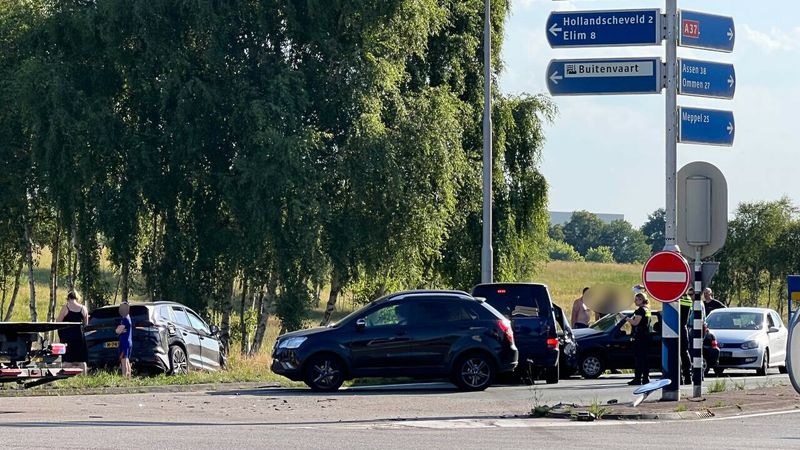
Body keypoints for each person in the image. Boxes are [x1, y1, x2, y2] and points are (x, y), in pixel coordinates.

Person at [56, 291, 89, 373]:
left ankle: (68, 377)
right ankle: (83, 378)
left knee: (68, 360)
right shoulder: (83, 308)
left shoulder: (65, 307)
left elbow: (58, 321)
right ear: (77, 298)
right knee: (81, 360)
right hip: (79, 336)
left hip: (68, 337)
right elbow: (86, 323)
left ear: (68, 298)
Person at [626, 292, 651, 385]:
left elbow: (635, 322)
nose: (635, 301)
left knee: (639, 358)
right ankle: (645, 378)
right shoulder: (647, 309)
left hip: (640, 337)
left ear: (641, 300)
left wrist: (626, 318)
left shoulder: (640, 310)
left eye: (637, 299)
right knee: (644, 358)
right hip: (646, 336)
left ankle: (637, 379)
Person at [115, 302, 133, 378]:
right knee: (127, 360)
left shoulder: (125, 319)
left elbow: (118, 331)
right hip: (128, 341)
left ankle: (124, 377)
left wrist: (118, 330)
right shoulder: (128, 318)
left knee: (123, 361)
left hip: (124, 342)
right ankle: (129, 377)